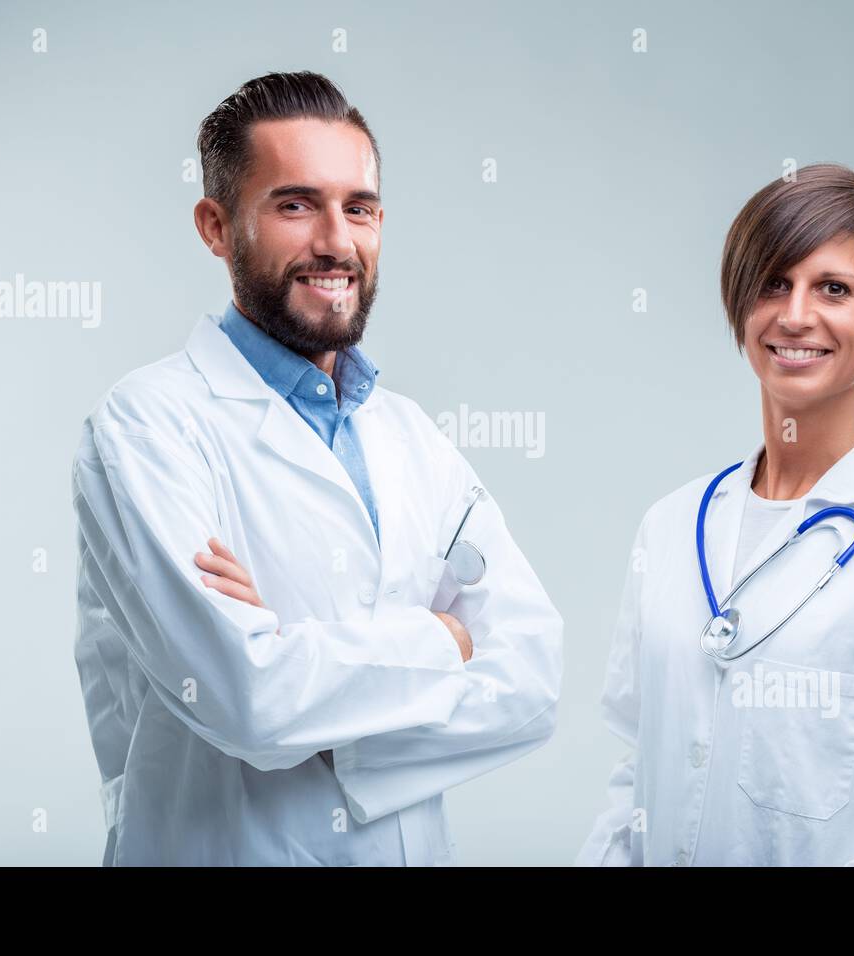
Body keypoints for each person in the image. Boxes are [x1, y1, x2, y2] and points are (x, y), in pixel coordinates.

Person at [72, 72, 563, 866]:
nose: (337, 242)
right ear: (216, 225)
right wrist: (445, 640)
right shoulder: (146, 425)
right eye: (295, 204)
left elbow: (534, 678)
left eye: (359, 208)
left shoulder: (411, 437)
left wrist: (308, 672)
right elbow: (246, 698)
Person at [577, 164, 854, 866]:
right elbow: (639, 769)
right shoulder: (669, 529)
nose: (794, 316)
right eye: (772, 284)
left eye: (833, 289)